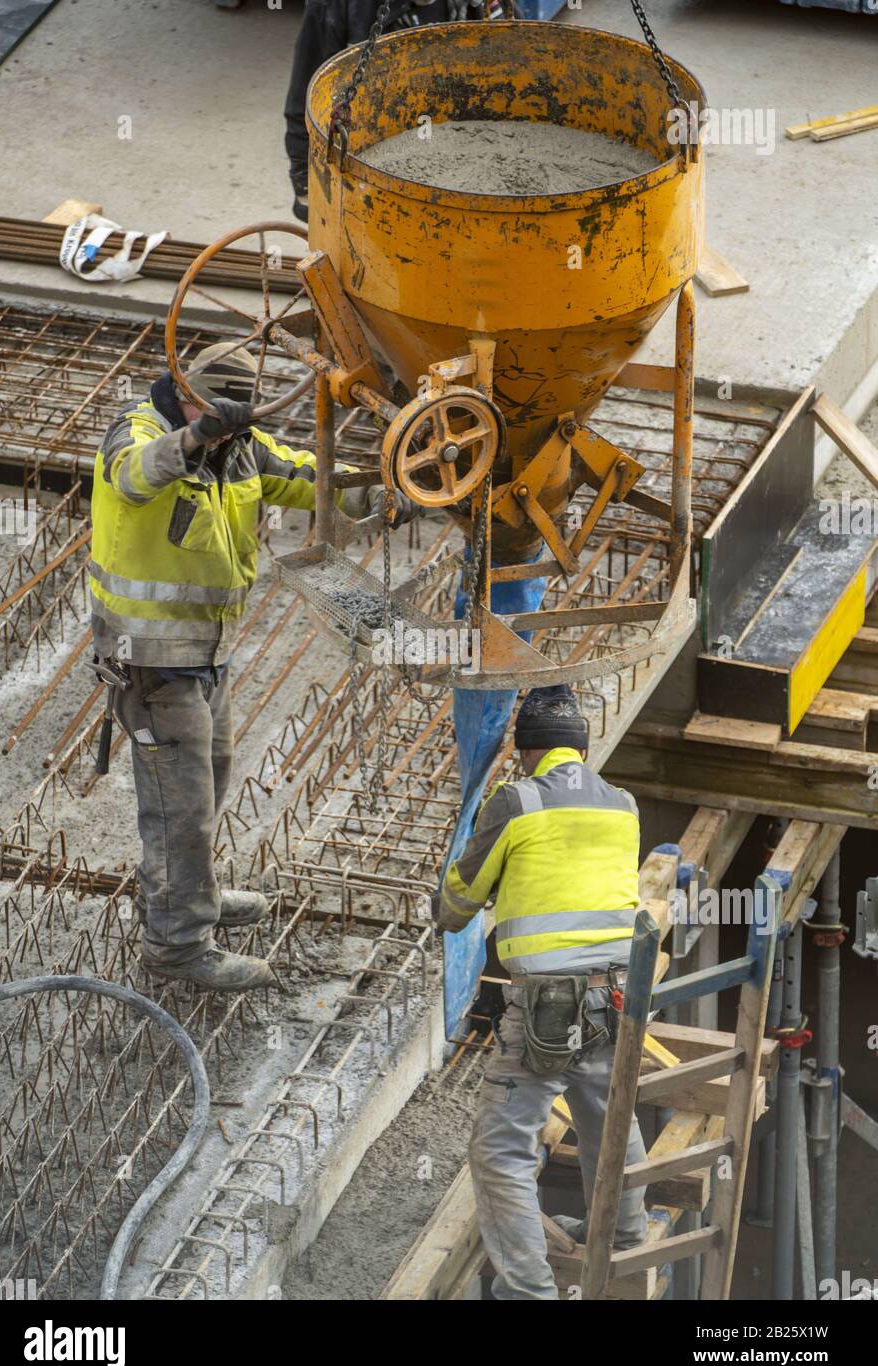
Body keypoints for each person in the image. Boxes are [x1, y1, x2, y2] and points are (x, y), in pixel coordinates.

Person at [90, 342, 415, 991]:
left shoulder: (241, 448)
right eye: (210, 412)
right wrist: (192, 439)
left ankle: (190, 896)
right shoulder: (139, 432)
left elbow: (312, 475)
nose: (228, 428)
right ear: (185, 394)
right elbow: (135, 474)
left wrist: (391, 489)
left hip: (209, 653)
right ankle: (177, 945)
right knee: (178, 805)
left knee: (206, 785)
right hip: (150, 661)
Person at [434, 684, 649, 1299]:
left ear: (526, 751)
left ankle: (529, 1292)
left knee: (501, 1151)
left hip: (546, 1009)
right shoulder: (623, 805)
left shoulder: (517, 801)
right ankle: (627, 1241)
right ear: (581, 749)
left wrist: (453, 899)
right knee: (610, 1118)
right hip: (619, 996)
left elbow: (458, 904)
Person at [284, 0, 502, 221]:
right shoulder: (335, 7)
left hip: (460, 170)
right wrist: (306, 184)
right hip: (369, 178)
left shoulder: (477, 5)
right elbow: (305, 100)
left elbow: (513, 51)